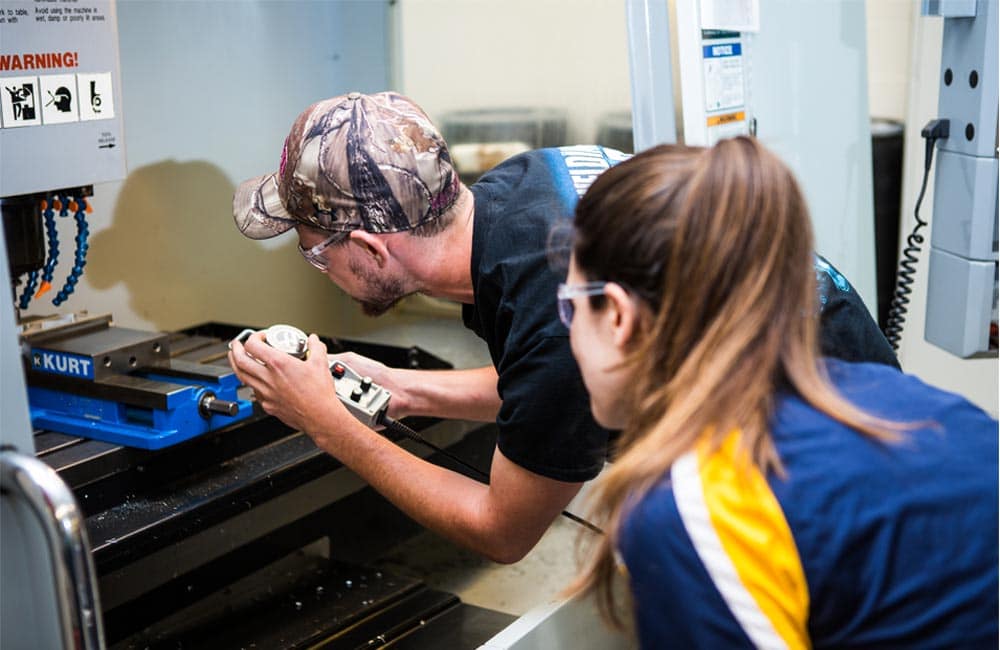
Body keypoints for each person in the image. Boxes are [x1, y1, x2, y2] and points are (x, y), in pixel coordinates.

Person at [226, 91, 898, 563]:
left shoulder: (554, 306)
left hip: (832, 483)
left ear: (370, 248)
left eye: (315, 250)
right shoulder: (522, 188)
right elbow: (547, 386)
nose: (317, 267)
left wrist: (329, 425)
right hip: (865, 404)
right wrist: (403, 389)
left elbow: (502, 531)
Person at [560, 136, 998, 647]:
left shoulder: (694, 508)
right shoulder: (914, 404)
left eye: (570, 307)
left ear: (617, 315)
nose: (569, 331)